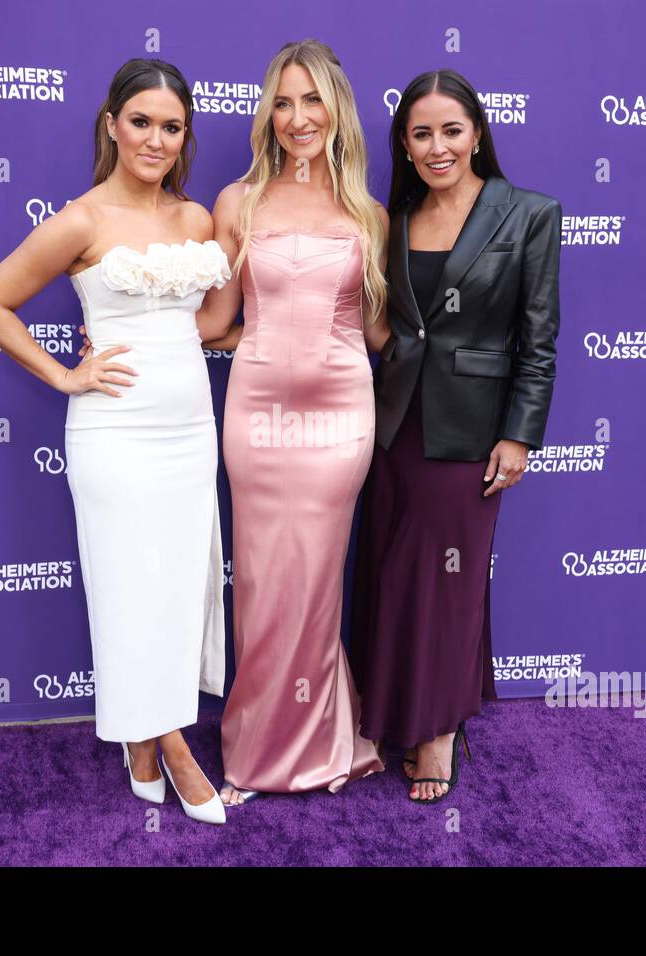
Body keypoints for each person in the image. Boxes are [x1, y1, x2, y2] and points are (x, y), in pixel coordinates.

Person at [0, 59, 233, 825]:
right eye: (141, 122)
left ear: (186, 135)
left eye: (171, 126)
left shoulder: (195, 221)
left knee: (180, 590)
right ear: (112, 123)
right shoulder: (80, 220)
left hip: (189, 433)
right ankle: (175, 745)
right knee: (129, 591)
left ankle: (142, 743)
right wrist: (63, 375)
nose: (155, 138)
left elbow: (206, 326)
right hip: (114, 436)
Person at [350, 69, 563, 802]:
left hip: (471, 431)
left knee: (450, 579)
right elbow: (386, 325)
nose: (437, 146)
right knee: (390, 570)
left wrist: (520, 436)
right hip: (393, 423)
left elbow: (539, 339)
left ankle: (438, 731)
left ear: (477, 132)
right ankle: (389, 713)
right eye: (420, 134)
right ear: (403, 146)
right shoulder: (395, 219)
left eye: (450, 130)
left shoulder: (529, 214)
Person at [196, 39, 392, 805]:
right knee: (263, 583)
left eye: (312, 101)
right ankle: (256, 748)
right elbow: (216, 324)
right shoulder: (236, 203)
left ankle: (317, 741)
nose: (297, 117)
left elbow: (378, 336)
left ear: (336, 109)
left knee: (313, 582)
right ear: (267, 113)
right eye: (283, 101)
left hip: (342, 417)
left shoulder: (368, 214)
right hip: (257, 416)